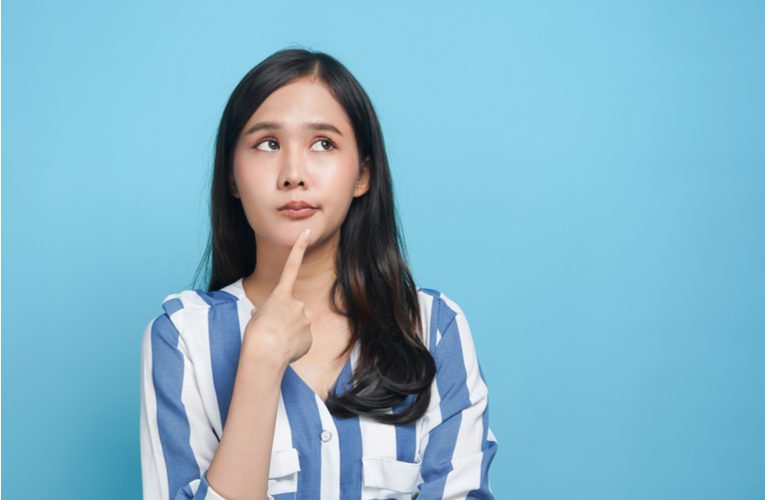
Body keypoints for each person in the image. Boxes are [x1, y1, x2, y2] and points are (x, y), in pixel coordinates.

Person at [139, 47, 498, 500]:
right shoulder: (183, 338)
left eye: (323, 143)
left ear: (362, 174)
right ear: (232, 175)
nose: (293, 173)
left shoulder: (433, 328)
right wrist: (260, 365)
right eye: (267, 143)